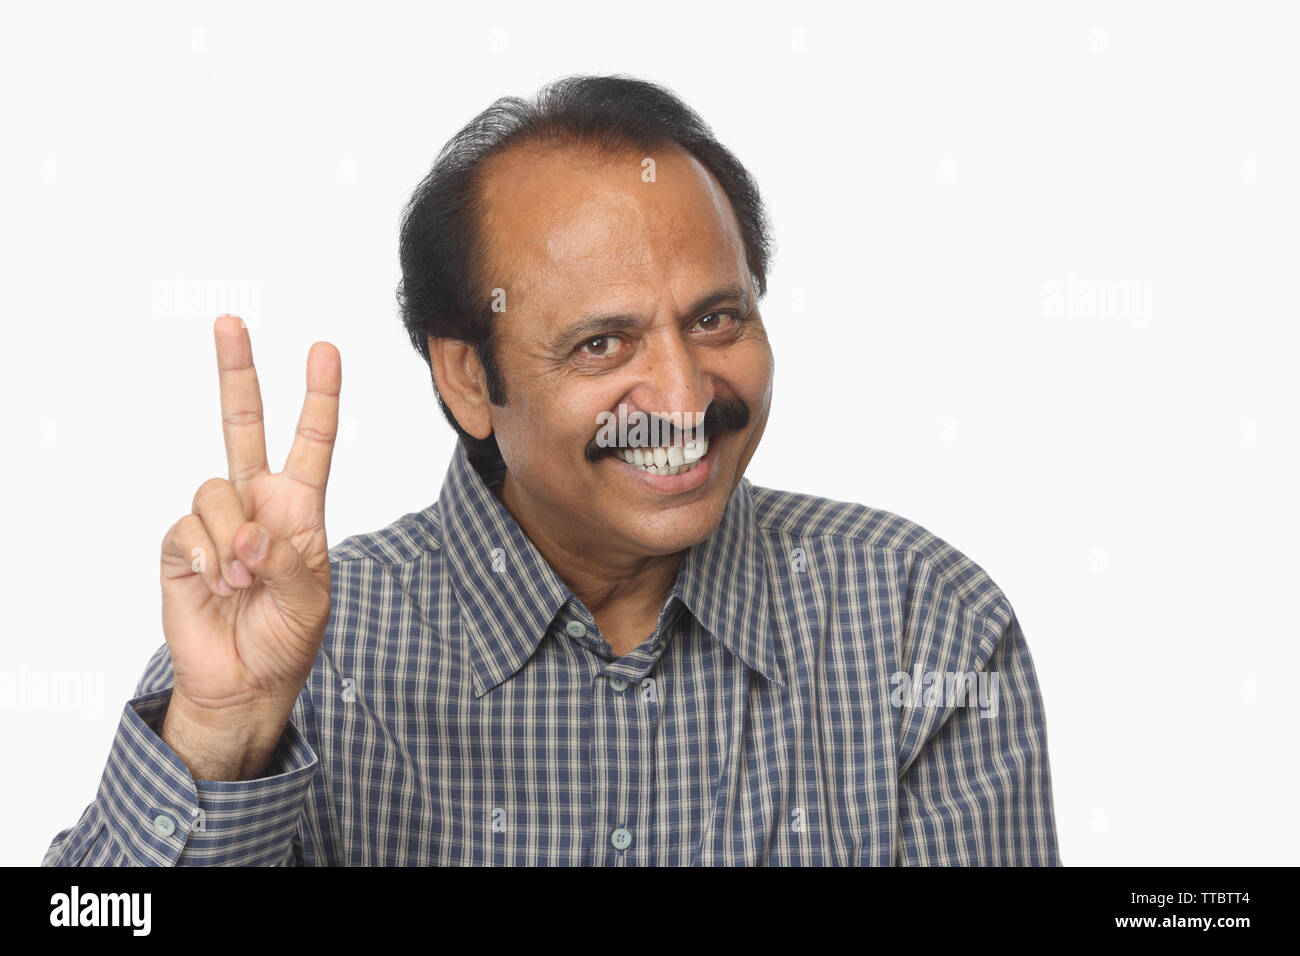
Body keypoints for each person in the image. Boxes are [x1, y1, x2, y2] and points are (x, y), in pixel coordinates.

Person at [44, 74, 1060, 866]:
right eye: (602, 345)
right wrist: (222, 738)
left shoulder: (923, 619)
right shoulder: (300, 645)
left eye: (716, 318)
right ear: (467, 376)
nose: (680, 394)